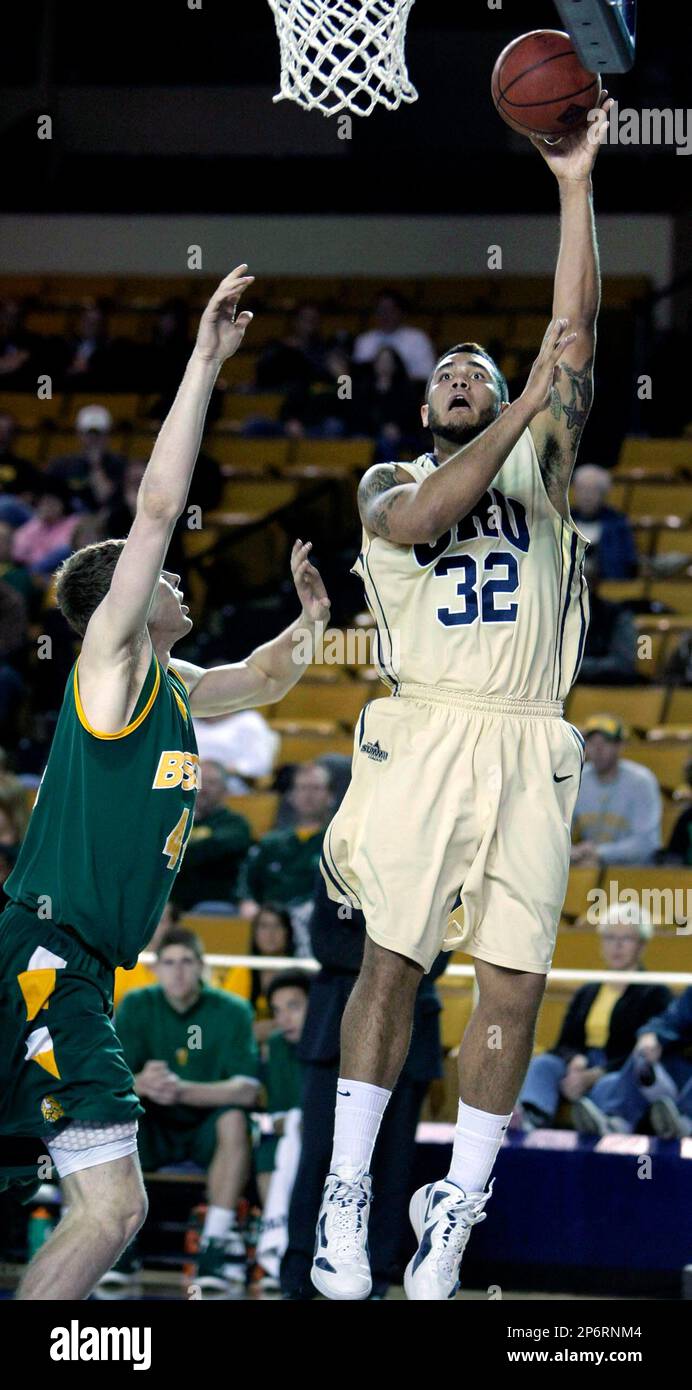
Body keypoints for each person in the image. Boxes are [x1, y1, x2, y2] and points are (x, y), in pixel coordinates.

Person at [313, 98, 615, 1302]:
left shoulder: (539, 459)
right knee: (390, 958)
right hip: (426, 725)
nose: (456, 377)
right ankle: (348, 1187)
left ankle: (455, 1209)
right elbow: (426, 518)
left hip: (529, 736)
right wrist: (512, 394)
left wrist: (574, 182)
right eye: (446, 373)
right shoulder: (391, 476)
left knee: (512, 984)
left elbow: (574, 332)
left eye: (474, 370)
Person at [0, 265, 331, 1301]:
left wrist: (315, 621)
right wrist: (204, 360)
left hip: (77, 964)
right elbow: (154, 509)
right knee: (114, 1208)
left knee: (90, 1202)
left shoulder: (176, 684)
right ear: (123, 603)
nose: (182, 577)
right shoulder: (113, 664)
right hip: (50, 956)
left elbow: (266, 677)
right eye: (161, 576)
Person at [284, 877, 446, 1300]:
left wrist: (382, 965)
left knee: (393, 1161)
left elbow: (441, 956)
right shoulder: (343, 856)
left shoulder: (441, 865)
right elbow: (325, 943)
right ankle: (299, 1271)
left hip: (411, 1027)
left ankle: (376, 1276)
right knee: (318, 1154)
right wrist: (397, 961)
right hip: (334, 1029)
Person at [109, 926, 261, 1290]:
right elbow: (110, 1080)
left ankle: (214, 1244)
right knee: (114, 1112)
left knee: (235, 1120)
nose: (178, 971)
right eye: (169, 962)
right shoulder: (136, 1004)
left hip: (206, 1129)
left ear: (202, 967)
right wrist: (140, 1083)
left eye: (187, 962)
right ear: (155, 968)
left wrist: (182, 1090)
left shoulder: (233, 1010)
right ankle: (121, 1241)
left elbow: (248, 1090)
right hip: (153, 1124)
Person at [514, 905, 670, 1130]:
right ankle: (532, 1118)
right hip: (584, 1062)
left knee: (611, 1083)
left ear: (642, 945)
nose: (616, 946)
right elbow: (565, 1042)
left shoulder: (654, 992)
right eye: (609, 938)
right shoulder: (587, 990)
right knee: (544, 1064)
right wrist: (574, 1061)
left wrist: (595, 1075)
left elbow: (641, 1052)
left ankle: (602, 1123)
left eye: (625, 939)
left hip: (616, 1068)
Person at [570, 986, 692, 1140]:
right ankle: (616, 1123)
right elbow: (670, 1020)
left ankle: (685, 1124)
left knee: (608, 1082)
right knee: (641, 1056)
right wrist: (651, 1033)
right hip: (683, 1073)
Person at [253, 969, 310, 1289]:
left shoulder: (335, 1040)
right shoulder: (275, 1044)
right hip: (288, 1135)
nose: (284, 1018)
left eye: (293, 1006)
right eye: (277, 1011)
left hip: (327, 1137)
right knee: (269, 1151)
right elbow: (272, 1108)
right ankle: (280, 1250)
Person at [238, 763, 334, 945]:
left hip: (318, 920)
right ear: (291, 795)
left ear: (330, 796)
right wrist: (247, 900)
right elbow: (247, 879)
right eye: (303, 788)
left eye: (316, 788)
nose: (309, 795)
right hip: (273, 920)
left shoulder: (338, 841)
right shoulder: (271, 842)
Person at [571, 715, 661, 867]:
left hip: (634, 874)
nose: (597, 749)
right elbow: (561, 831)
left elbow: (646, 843)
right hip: (589, 867)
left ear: (620, 746)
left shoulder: (641, 781)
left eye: (605, 742)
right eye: (591, 742)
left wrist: (599, 853)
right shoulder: (577, 779)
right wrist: (571, 852)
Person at [172, 758, 251, 910]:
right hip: (174, 900)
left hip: (215, 900)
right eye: (199, 780)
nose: (203, 788)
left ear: (225, 790)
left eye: (212, 782)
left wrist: (181, 850)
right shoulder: (176, 820)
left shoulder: (235, 823)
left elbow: (215, 848)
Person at [218, 903, 295, 1042]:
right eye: (264, 926)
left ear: (287, 932)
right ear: (255, 933)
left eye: (277, 925)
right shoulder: (243, 970)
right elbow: (228, 1021)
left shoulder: (297, 973)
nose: (270, 933)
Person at [47, 403, 126, 514]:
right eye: (89, 433)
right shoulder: (61, 465)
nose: (93, 438)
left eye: (98, 434)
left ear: (108, 435)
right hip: (67, 523)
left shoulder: (119, 464)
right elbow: (49, 502)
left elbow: (105, 498)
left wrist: (96, 466)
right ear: (79, 434)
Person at [577, 550, 638, 684]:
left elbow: (623, 664)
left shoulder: (617, 616)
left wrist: (573, 668)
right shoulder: (551, 615)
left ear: (595, 584)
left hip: (604, 689)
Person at [570, 463, 638, 579]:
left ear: (604, 494)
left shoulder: (618, 524)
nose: (587, 496)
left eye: (593, 491)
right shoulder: (562, 520)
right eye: (582, 489)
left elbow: (625, 564)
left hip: (607, 588)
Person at [353, 291, 436, 383]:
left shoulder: (417, 339)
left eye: (390, 310)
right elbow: (359, 377)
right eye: (380, 310)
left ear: (401, 312)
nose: (385, 315)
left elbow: (425, 375)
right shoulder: (364, 340)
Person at [192, 703, 279, 790]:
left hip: (233, 785)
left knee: (210, 781)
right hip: (186, 781)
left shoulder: (249, 721)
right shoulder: (185, 719)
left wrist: (218, 770)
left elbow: (261, 765)